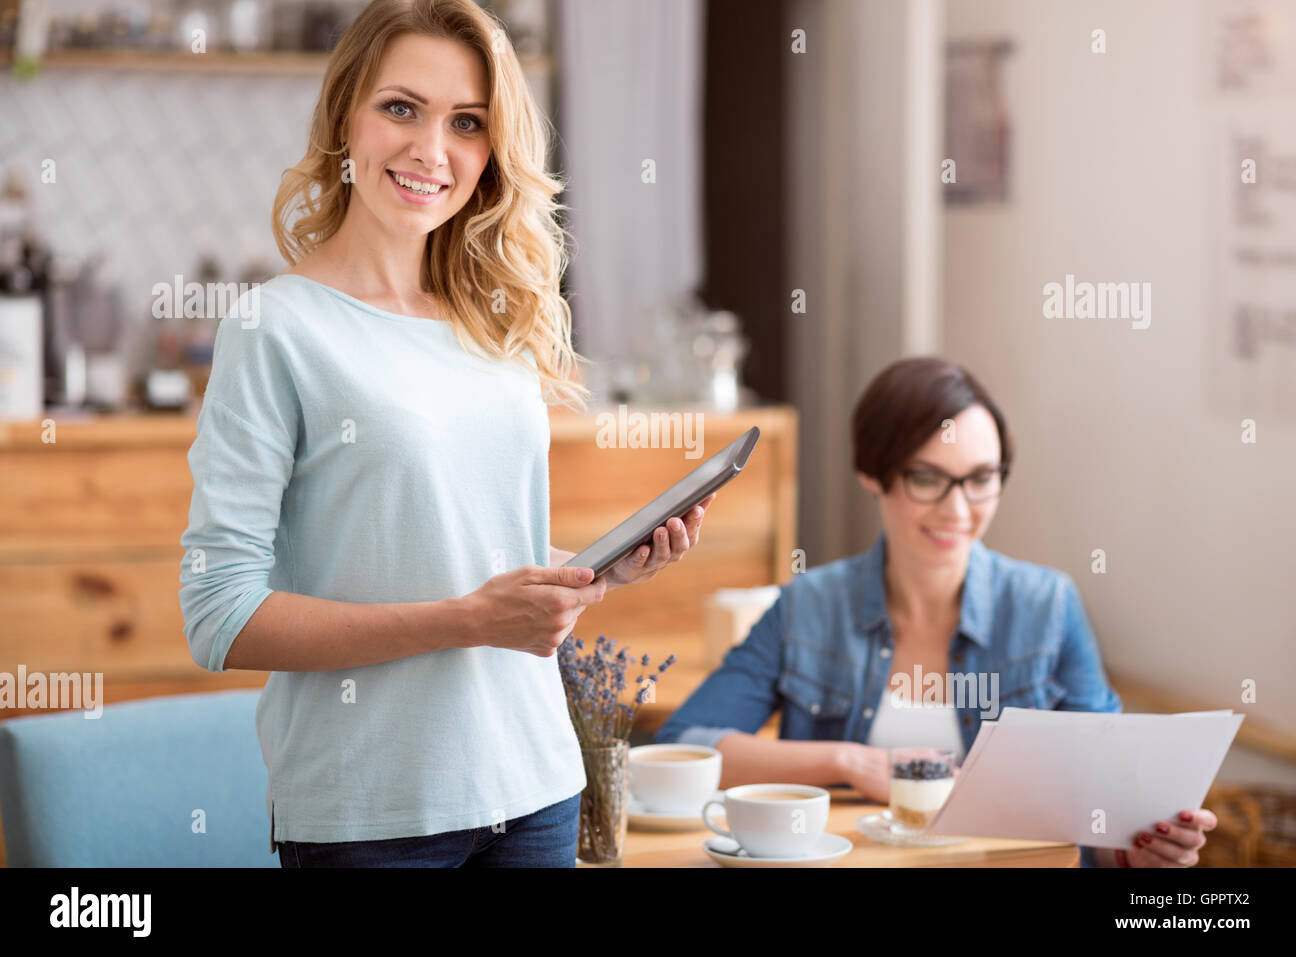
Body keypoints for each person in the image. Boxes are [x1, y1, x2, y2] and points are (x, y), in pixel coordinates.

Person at [178, 0, 710, 868]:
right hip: (373, 809)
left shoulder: (491, 321)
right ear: (345, 116)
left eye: (467, 122)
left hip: (535, 780)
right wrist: (469, 619)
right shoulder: (276, 329)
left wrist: (586, 572)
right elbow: (220, 615)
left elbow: (445, 540)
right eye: (401, 108)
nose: (433, 149)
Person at [656, 357, 1217, 867]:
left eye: (980, 480)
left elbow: (1103, 804)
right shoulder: (811, 606)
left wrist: (1137, 856)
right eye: (927, 478)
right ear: (873, 473)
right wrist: (852, 763)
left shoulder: (1047, 606)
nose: (957, 509)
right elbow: (684, 747)